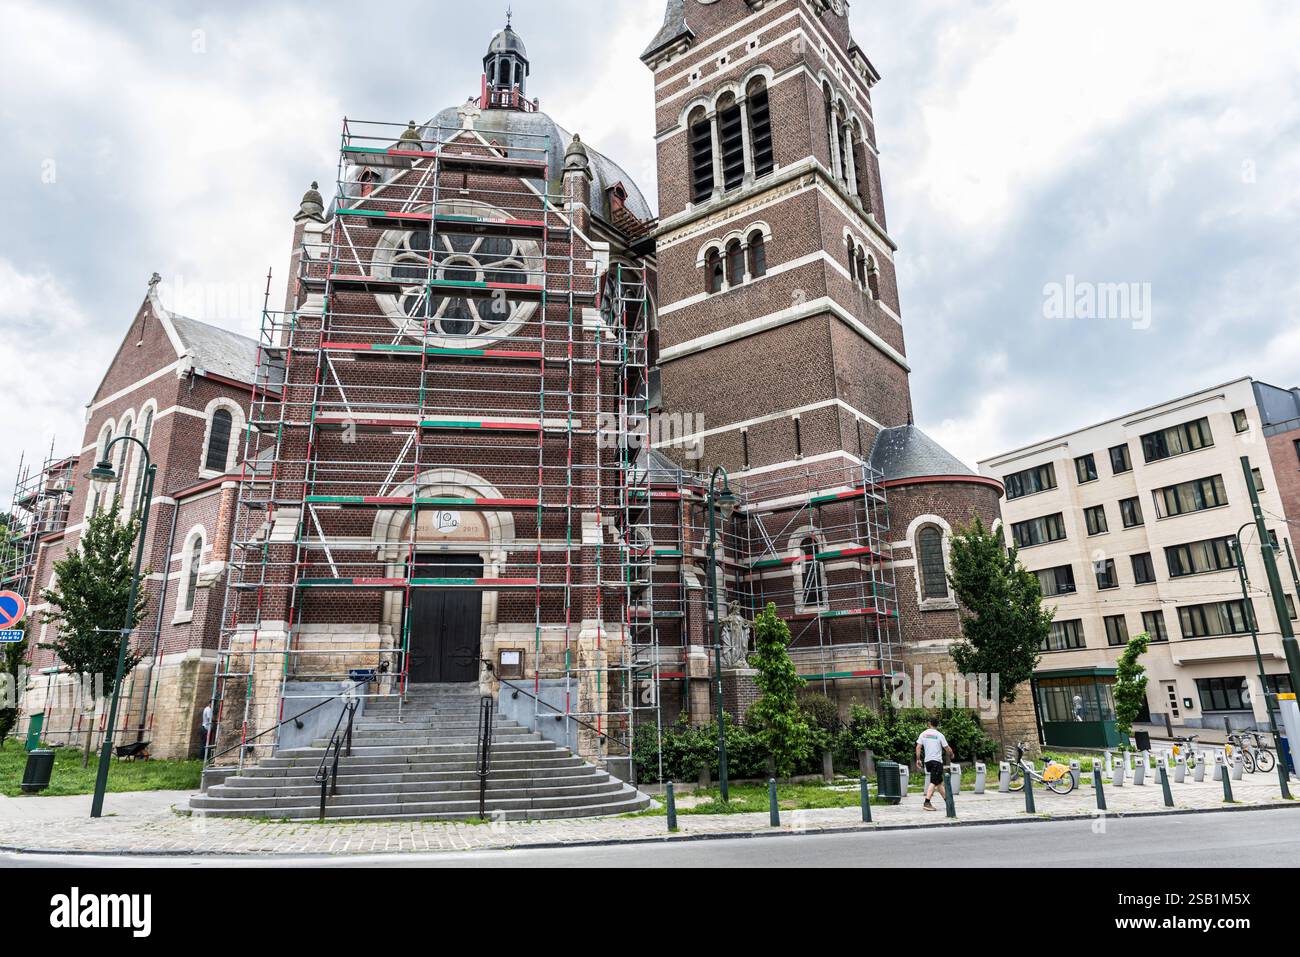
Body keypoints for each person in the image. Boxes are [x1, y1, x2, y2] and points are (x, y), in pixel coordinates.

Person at [915, 717, 955, 811]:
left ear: (929, 724)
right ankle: (927, 802)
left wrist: (918, 759)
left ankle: (948, 801)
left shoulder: (923, 734)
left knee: (938, 782)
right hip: (936, 761)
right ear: (937, 725)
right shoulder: (939, 735)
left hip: (928, 761)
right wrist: (952, 754)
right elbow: (947, 748)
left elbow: (918, 747)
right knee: (934, 781)